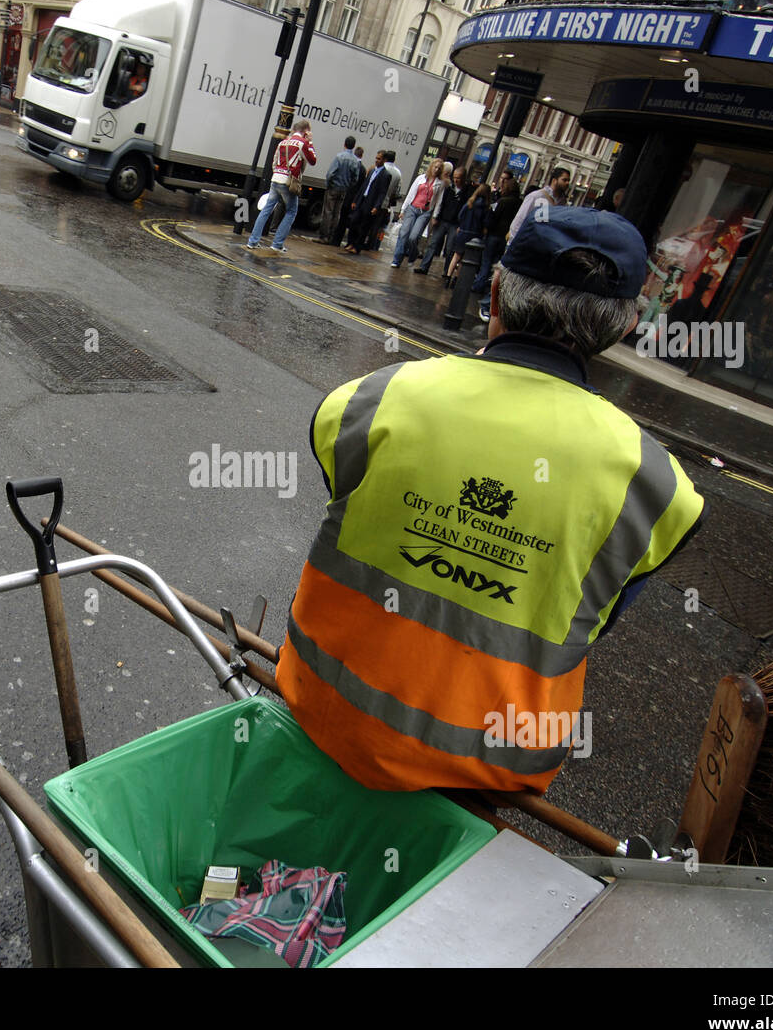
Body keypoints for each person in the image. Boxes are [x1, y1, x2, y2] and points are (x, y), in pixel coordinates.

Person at [275, 207, 704, 795]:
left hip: (323, 708)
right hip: (489, 772)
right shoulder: (656, 485)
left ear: (496, 289)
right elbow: (593, 618)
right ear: (624, 324)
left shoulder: (372, 400)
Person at [246, 121, 317, 253]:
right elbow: (312, 160)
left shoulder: (283, 142)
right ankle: (277, 244)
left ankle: (253, 241)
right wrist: (311, 142)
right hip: (288, 182)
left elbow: (274, 161)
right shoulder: (302, 143)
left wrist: (277, 174)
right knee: (291, 212)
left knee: (266, 209)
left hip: (276, 178)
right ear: (306, 131)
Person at [473, 169, 521, 321]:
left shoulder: (503, 201)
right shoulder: (519, 203)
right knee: (496, 264)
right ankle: (487, 284)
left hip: (494, 235)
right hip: (505, 237)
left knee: (486, 261)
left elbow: (493, 217)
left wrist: (488, 227)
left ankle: (479, 285)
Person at [391, 158, 445, 268]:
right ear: (431, 167)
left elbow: (439, 201)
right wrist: (403, 209)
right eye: (435, 167)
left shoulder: (440, 184)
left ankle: (413, 253)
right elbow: (411, 193)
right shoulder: (421, 178)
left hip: (425, 212)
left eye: (439, 168)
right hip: (413, 208)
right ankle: (397, 259)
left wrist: (435, 215)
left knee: (414, 237)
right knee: (404, 233)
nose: (436, 169)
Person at [416, 164, 463, 276]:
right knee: (433, 243)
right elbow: (440, 202)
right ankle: (424, 266)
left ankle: (447, 271)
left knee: (449, 248)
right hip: (443, 219)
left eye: (458, 178)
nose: (456, 180)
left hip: (455, 223)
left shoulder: (465, 191)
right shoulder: (448, 188)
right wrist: (436, 216)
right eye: (455, 177)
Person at [506, 166, 572, 245]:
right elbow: (519, 220)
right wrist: (514, 243)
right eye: (564, 180)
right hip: (526, 244)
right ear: (554, 180)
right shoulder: (536, 196)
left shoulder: (563, 204)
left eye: (568, 180)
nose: (567, 183)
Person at [442, 181, 490, 287]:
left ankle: (448, 277)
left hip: (463, 232)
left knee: (456, 256)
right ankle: (456, 279)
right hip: (474, 235)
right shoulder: (485, 207)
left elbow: (460, 215)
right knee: (464, 259)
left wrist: (462, 225)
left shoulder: (470, 203)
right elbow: (486, 222)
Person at [345, 151, 390, 255]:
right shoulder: (371, 171)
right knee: (353, 221)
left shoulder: (385, 175)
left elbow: (382, 193)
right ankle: (350, 243)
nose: (377, 160)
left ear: (384, 160)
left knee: (364, 226)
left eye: (379, 159)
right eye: (376, 158)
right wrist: (356, 200)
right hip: (362, 200)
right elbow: (363, 186)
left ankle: (357, 246)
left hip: (371, 203)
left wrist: (376, 206)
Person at [321, 136, 361, 245]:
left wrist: (328, 184)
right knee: (337, 213)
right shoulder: (355, 160)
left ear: (344, 144)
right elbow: (355, 178)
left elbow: (331, 173)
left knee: (328, 211)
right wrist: (348, 186)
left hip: (334, 187)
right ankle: (331, 236)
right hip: (344, 189)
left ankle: (324, 236)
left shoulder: (339, 157)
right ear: (353, 146)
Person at [372, 150, 403, 252]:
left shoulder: (381, 169)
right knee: (381, 227)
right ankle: (376, 245)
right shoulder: (398, 173)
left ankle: (369, 242)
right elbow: (397, 192)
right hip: (386, 204)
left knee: (371, 224)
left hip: (375, 201)